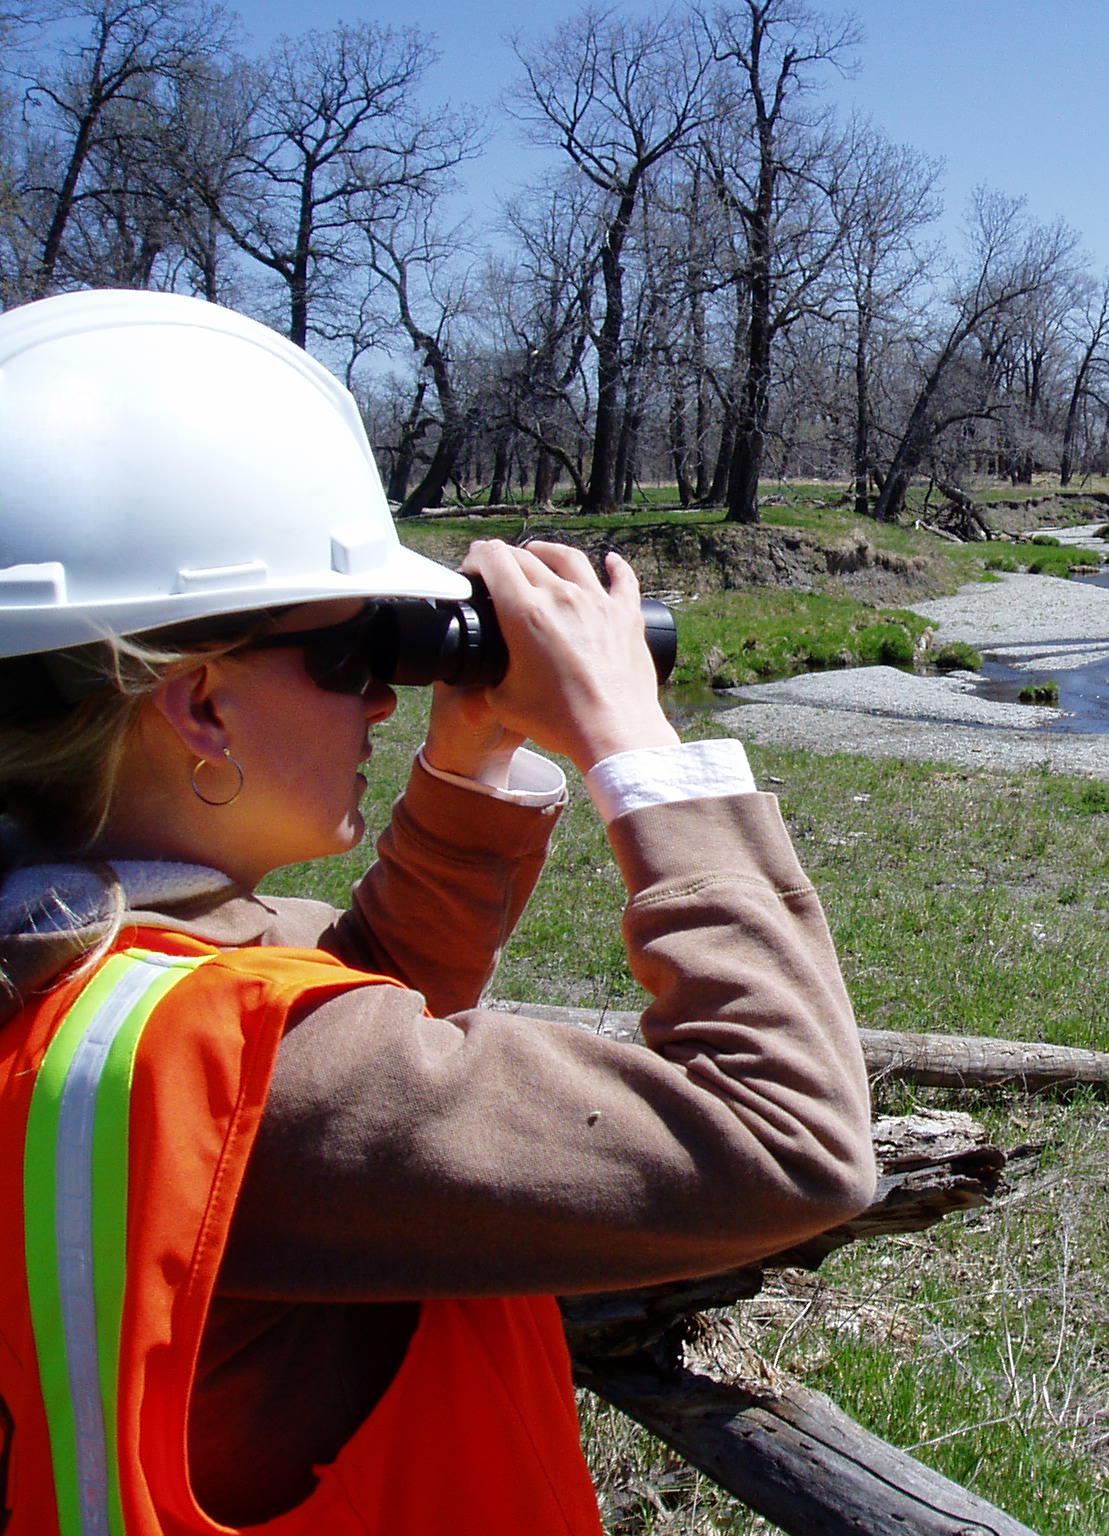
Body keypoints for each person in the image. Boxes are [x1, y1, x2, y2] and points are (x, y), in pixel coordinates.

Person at [0, 289, 876, 1533]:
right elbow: (789, 1142)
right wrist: (632, 739)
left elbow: (343, 1012)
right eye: (353, 652)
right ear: (199, 706)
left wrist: (474, 763)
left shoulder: (66, 970)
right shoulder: (250, 1079)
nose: (380, 702)